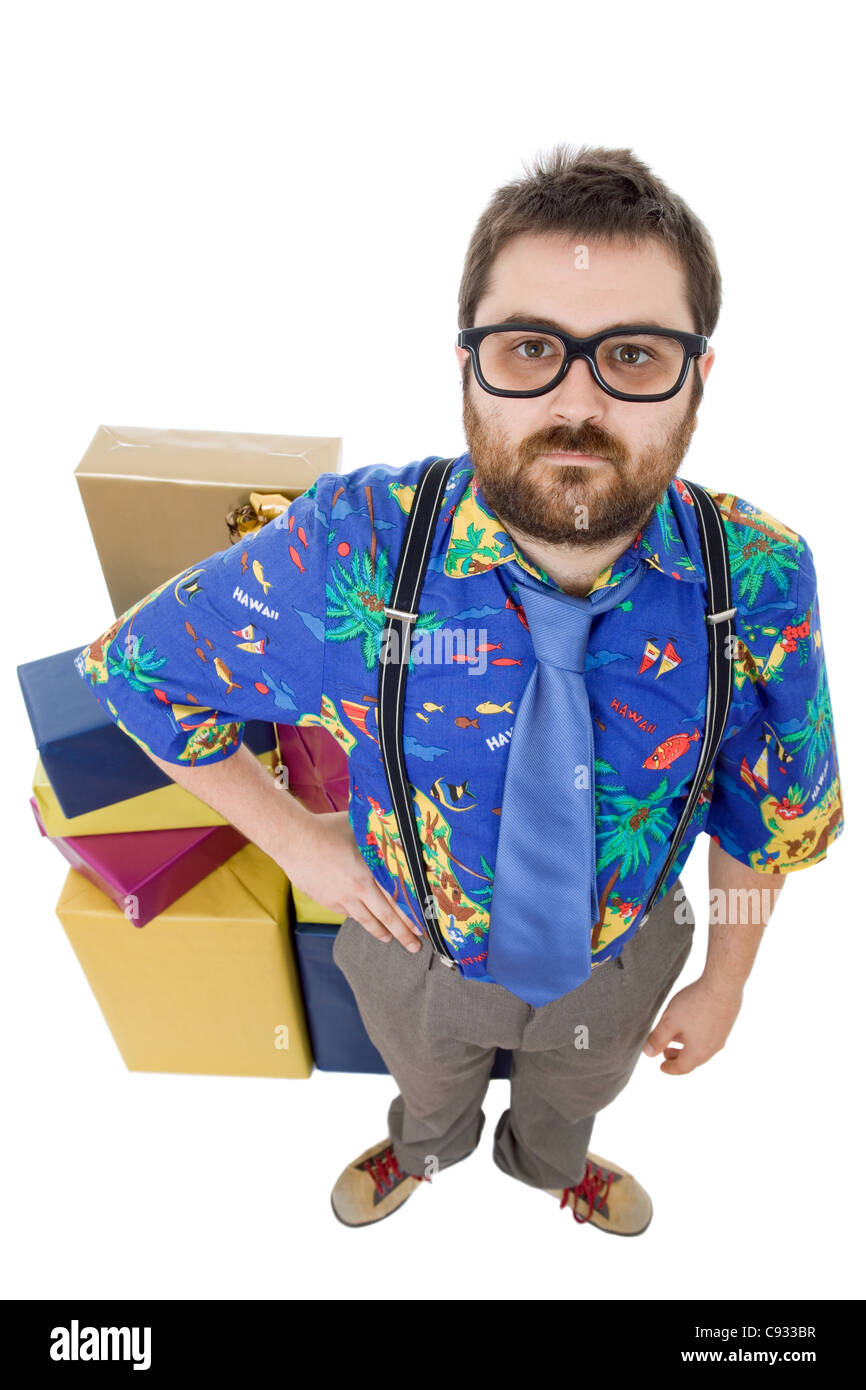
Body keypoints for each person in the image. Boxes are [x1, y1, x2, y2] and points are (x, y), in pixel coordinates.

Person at [74, 144, 844, 1233]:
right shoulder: (356, 550)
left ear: (696, 377)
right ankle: (423, 1148)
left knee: (576, 1088)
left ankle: (549, 1162)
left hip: (620, 958)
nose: (576, 402)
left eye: (630, 353)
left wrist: (724, 983)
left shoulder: (758, 576)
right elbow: (139, 672)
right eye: (531, 346)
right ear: (468, 362)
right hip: (408, 948)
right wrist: (297, 839)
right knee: (427, 1083)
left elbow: (772, 813)